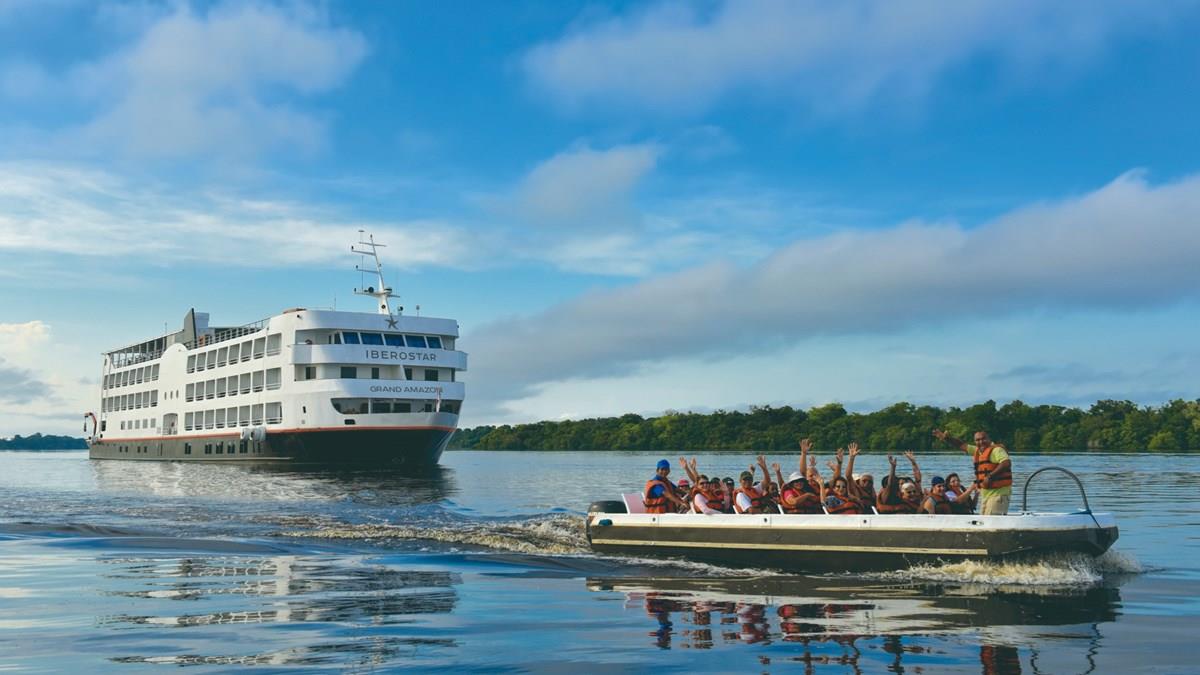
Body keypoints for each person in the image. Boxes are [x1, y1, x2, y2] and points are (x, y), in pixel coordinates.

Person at [933, 429, 1013, 515]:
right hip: (986, 495)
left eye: (983, 439)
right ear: (975, 441)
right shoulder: (977, 451)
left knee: (990, 521)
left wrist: (990, 476)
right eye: (978, 440)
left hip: (999, 494)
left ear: (989, 439)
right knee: (984, 520)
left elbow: (1006, 463)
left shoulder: (997, 450)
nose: (981, 442)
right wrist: (947, 438)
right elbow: (961, 445)